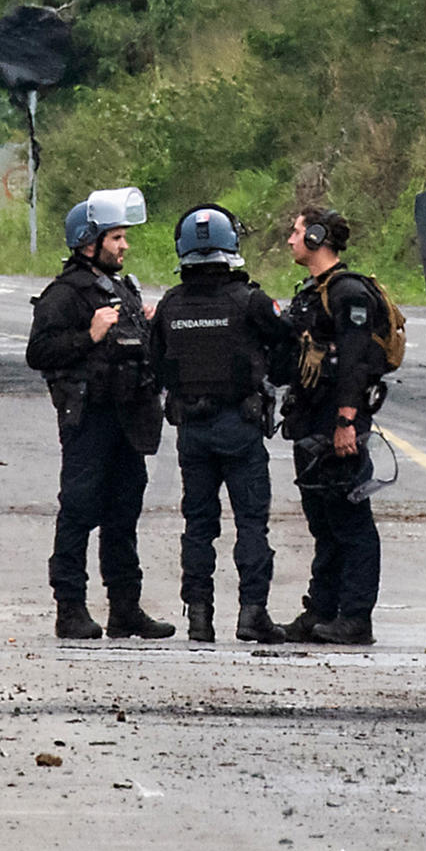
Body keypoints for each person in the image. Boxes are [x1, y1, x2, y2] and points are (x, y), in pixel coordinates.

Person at [29, 191, 173, 641]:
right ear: (89, 241)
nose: (124, 246)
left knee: (123, 513)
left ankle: (125, 608)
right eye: (116, 237)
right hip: (89, 419)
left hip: (129, 419)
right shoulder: (65, 294)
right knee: (78, 509)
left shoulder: (123, 289)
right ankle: (70, 607)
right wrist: (88, 336)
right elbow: (39, 353)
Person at [150, 205, 290, 642]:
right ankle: (252, 614)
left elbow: (157, 366)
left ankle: (199, 616)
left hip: (191, 430)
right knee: (251, 522)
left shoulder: (170, 304)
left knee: (198, 525)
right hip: (240, 427)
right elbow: (286, 349)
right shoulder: (250, 302)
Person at [280, 208, 402, 646]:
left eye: (296, 231)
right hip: (311, 424)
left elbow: (353, 363)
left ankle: (355, 617)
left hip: (337, 426)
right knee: (324, 524)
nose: (290, 239)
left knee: (350, 523)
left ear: (316, 237)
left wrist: (347, 420)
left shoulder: (348, 293)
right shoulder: (317, 292)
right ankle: (322, 612)